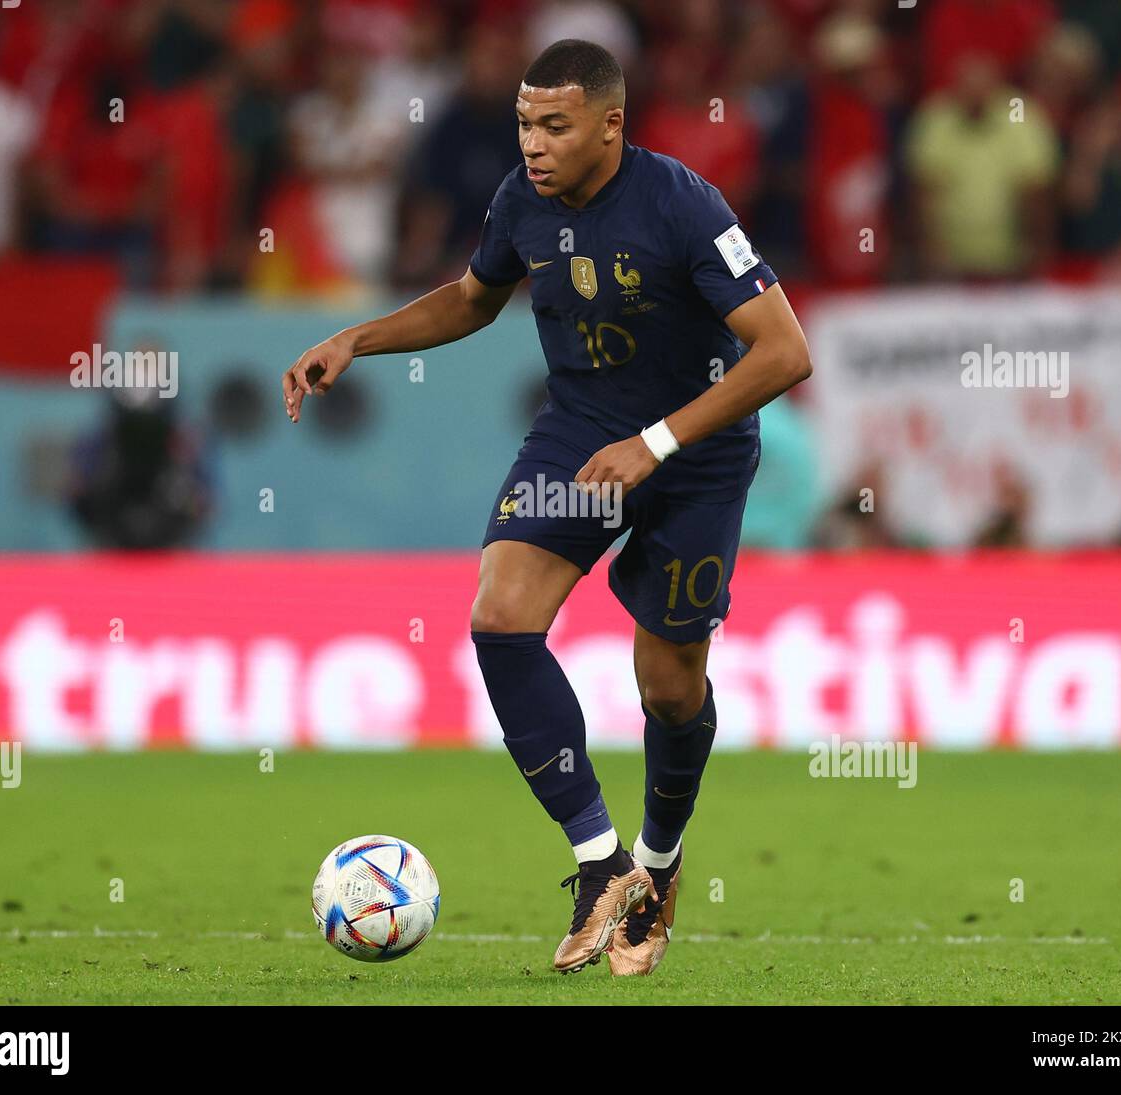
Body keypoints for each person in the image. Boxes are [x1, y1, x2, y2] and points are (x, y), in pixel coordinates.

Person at [281, 39, 811, 976]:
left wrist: (655, 445)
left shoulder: (683, 202)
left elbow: (783, 353)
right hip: (579, 435)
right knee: (501, 612)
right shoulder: (519, 201)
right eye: (526, 123)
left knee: (669, 683)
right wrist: (358, 338)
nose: (533, 143)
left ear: (611, 124)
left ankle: (656, 862)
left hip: (695, 451)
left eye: (554, 125)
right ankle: (599, 859)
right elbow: (473, 300)